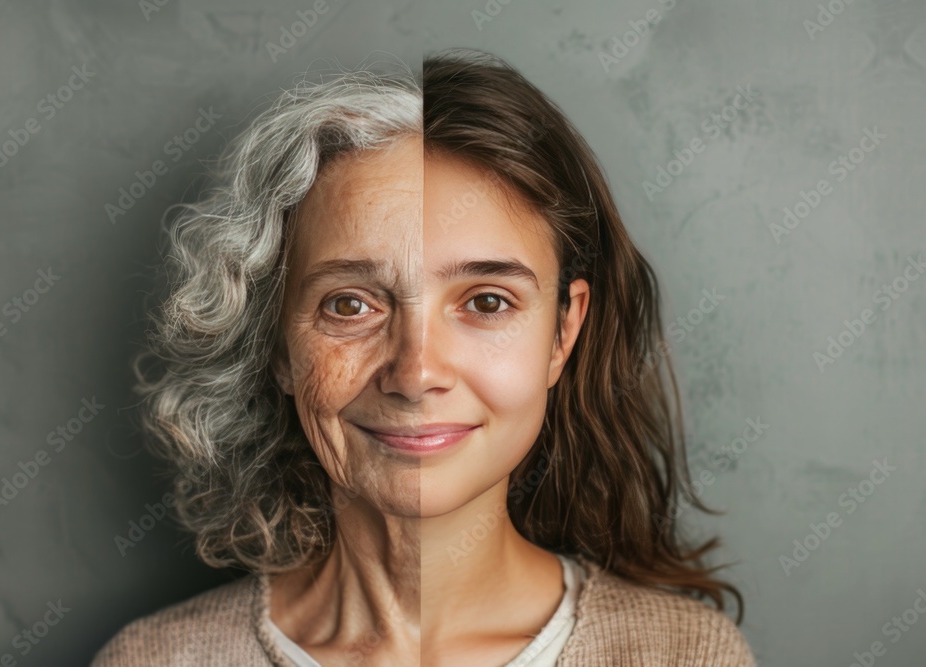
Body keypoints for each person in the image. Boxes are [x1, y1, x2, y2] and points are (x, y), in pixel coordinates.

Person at [92, 50, 756, 666]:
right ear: (277, 347)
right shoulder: (156, 658)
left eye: (487, 302)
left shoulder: (685, 654)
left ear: (562, 333)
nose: (415, 374)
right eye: (350, 305)